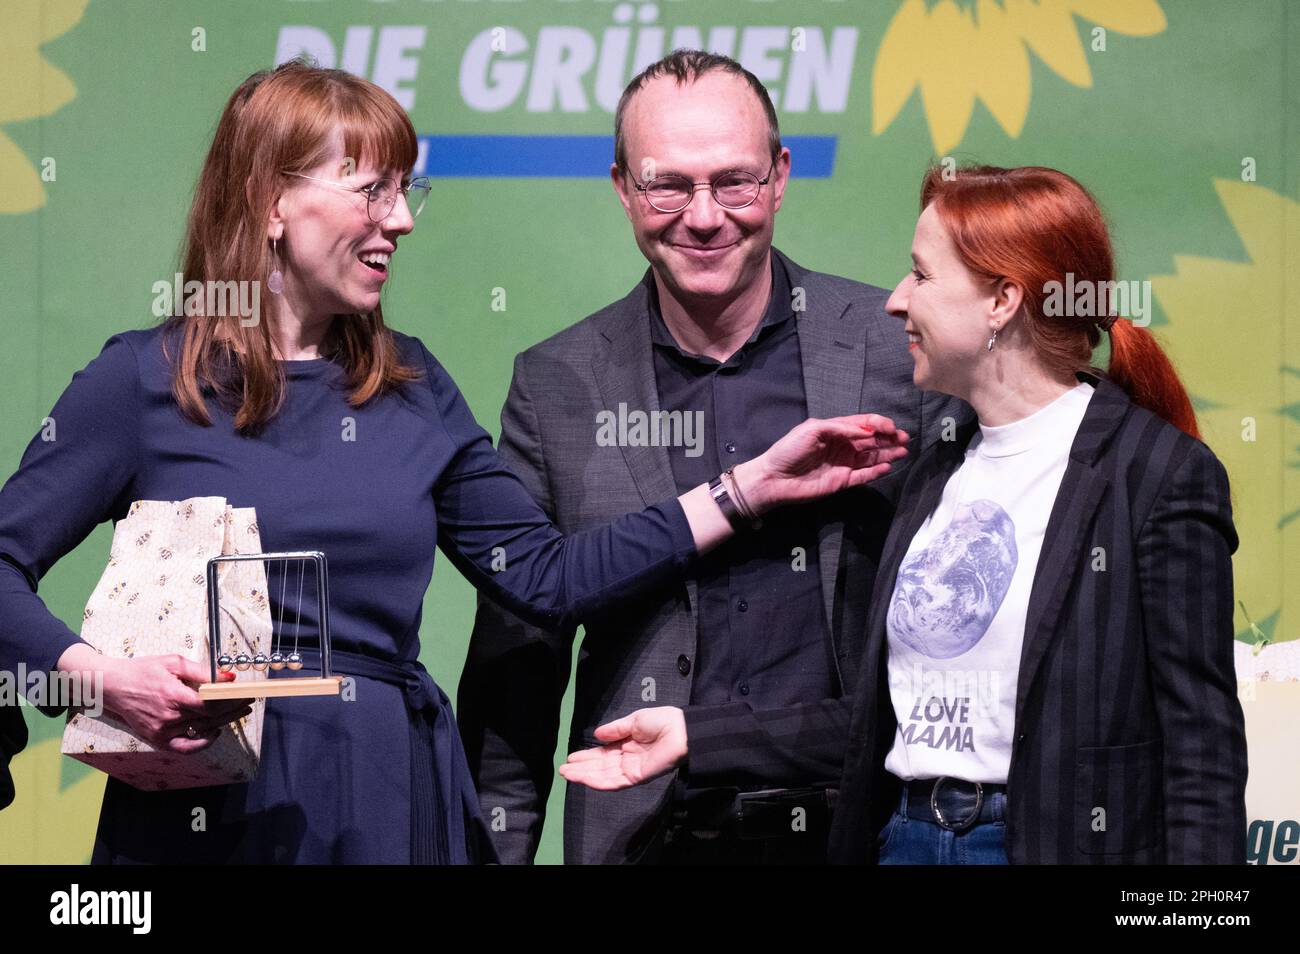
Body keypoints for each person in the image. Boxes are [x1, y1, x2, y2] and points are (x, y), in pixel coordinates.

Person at [0, 60, 909, 865]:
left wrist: (745, 489)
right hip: (213, 804)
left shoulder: (410, 380)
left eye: (407, 192)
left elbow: (546, 577)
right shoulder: (144, 380)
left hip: (389, 793)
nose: (398, 219)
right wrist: (99, 675)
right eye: (372, 190)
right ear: (271, 200)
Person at [561, 164, 1248, 865]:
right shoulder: (936, 470)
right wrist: (694, 735)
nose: (895, 302)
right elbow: (877, 718)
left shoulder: (1155, 476)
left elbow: (1202, 749)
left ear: (1002, 301)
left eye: (920, 276)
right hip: (903, 841)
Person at [457, 50, 967, 865]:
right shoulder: (557, 384)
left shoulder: (893, 347)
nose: (703, 216)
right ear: (623, 185)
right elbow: (517, 668)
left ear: (780, 177)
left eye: (734, 181)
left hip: (859, 831)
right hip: (642, 835)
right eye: (668, 184)